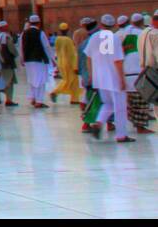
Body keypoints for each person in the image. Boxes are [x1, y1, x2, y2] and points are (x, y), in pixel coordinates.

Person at [85, 14, 131, 143]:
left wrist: (91, 75)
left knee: (108, 103)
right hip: (113, 77)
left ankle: (98, 123)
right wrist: (122, 80)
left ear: (101, 25)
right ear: (114, 26)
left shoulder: (94, 37)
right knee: (120, 107)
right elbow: (118, 61)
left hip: (100, 78)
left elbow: (88, 57)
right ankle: (121, 135)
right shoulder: (114, 38)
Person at [118, 13, 154, 134]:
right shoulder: (143, 34)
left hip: (125, 71)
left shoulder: (121, 34)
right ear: (141, 22)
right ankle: (140, 127)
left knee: (132, 100)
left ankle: (134, 122)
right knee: (142, 99)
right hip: (139, 72)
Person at [20, 14, 54, 108]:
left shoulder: (24, 33)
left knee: (32, 79)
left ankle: (33, 98)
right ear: (39, 23)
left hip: (28, 61)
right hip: (39, 60)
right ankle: (39, 101)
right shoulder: (40, 33)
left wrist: (22, 58)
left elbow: (21, 46)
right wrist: (52, 58)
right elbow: (46, 46)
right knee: (40, 79)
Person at [49, 22, 83, 105]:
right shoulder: (68, 40)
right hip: (69, 64)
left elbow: (57, 51)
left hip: (61, 62)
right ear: (67, 30)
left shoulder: (57, 39)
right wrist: (75, 67)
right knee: (69, 80)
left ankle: (74, 99)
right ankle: (55, 92)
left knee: (74, 81)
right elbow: (72, 54)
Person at [0, 20, 19, 106]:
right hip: (7, 63)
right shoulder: (6, 37)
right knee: (9, 81)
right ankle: (8, 100)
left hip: (1, 62)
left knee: (3, 80)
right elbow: (12, 49)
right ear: (3, 27)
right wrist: (16, 54)